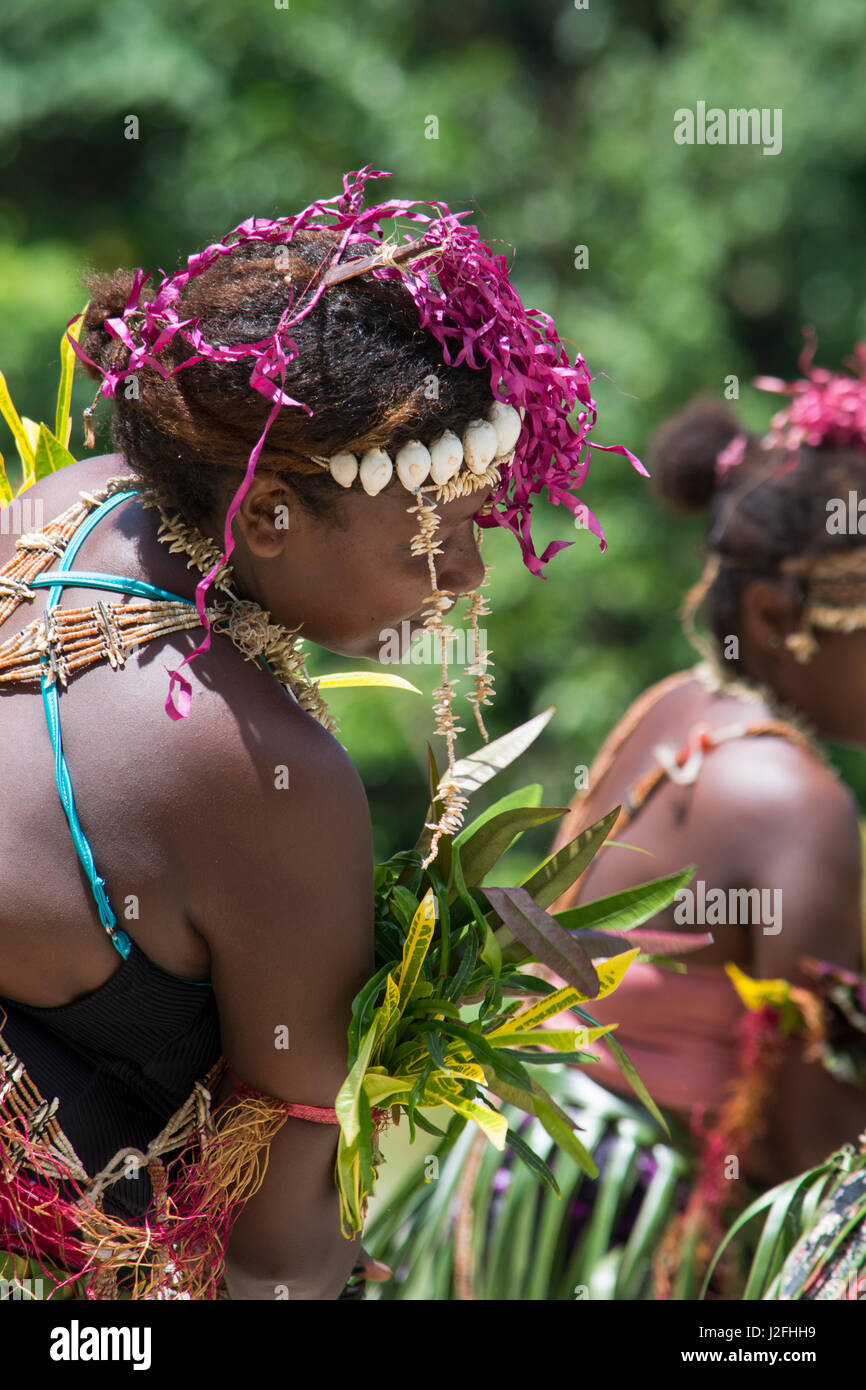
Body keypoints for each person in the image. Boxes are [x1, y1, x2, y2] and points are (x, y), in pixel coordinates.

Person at [0, 166, 640, 1299]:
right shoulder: (261, 772)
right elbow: (273, 1241)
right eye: (425, 540)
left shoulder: (74, 505)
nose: (468, 575)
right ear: (262, 517)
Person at [368, 340, 866, 1300]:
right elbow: (812, 1151)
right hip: (622, 1241)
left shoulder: (679, 706)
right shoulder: (794, 804)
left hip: (517, 1191)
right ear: (771, 615)